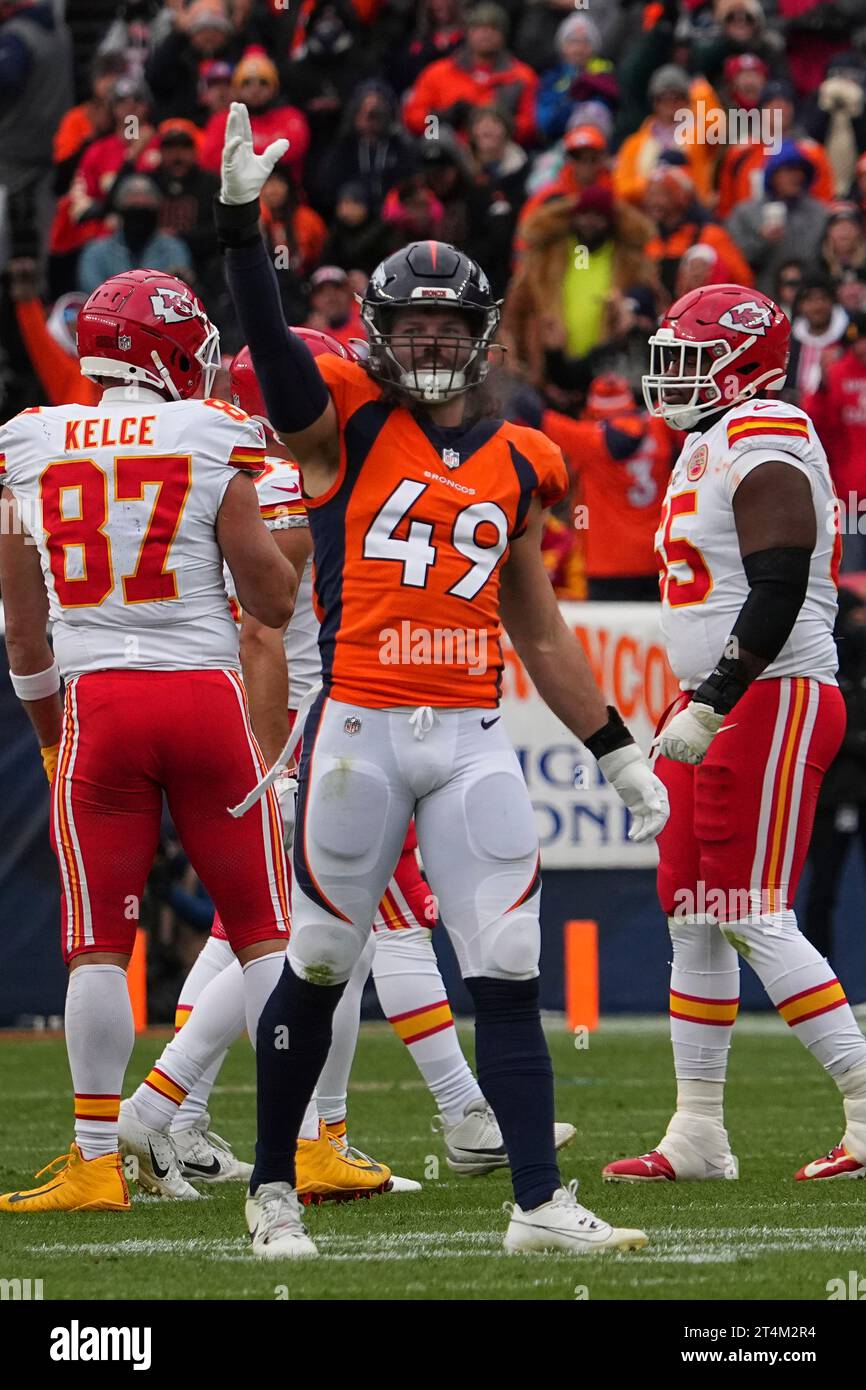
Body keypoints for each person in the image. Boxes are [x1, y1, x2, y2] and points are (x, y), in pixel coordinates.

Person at [215, 102, 669, 1259]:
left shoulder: (525, 456)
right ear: (375, 332)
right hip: (359, 724)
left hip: (470, 733)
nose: (422, 341)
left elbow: (541, 626)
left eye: (442, 324)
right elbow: (271, 359)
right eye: (405, 323)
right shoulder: (343, 424)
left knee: (510, 971)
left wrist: (612, 743)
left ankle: (536, 1204)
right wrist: (239, 232)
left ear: (475, 333)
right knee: (319, 965)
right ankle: (272, 1187)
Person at [121, 333, 576, 1197]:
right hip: (329, 733)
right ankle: (181, 1110)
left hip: (345, 724)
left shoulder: (276, 472)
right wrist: (266, 756)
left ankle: (198, 1115)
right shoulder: (298, 483)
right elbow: (261, 627)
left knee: (289, 936)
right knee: (318, 940)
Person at [0, 268, 297, 1212]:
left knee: (95, 945)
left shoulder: (32, 440)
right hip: (203, 697)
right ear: (162, 348)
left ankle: (95, 1161)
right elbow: (274, 599)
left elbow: (22, 630)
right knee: (264, 935)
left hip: (98, 707)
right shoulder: (211, 433)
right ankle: (288, 1154)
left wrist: (53, 740)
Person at [603, 282, 866, 1186]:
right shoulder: (709, 442)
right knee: (693, 913)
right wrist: (699, 698)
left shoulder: (767, 431)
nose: (669, 378)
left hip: (772, 691)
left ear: (744, 364)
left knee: (751, 909)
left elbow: (782, 577)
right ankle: (699, 1131)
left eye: (689, 358)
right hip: (717, 697)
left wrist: (716, 694)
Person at [543, 374, 678, 601]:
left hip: (606, 565)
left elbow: (533, 414)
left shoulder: (586, 439)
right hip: (659, 558)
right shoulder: (659, 426)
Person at [403, 3, 538, 148]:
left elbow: (531, 126)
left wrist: (498, 124)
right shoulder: (438, 72)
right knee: (436, 140)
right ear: (468, 33)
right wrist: (442, 117)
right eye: (479, 29)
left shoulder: (521, 76)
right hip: (449, 153)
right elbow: (413, 118)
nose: (485, 34)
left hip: (500, 152)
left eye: (493, 29)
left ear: (504, 35)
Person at [76, 175, 193, 295]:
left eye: (145, 208)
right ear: (120, 210)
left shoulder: (174, 249)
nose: (139, 215)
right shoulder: (96, 252)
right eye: (133, 208)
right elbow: (93, 293)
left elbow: (178, 293)